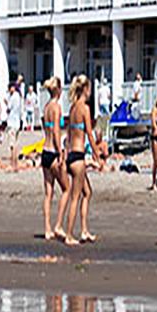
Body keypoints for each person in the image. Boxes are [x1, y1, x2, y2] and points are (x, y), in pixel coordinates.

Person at [57, 76, 104, 245]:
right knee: (75, 197)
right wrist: (97, 155)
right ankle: (69, 234)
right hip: (78, 157)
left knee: (87, 192)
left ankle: (84, 231)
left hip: (71, 155)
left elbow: (69, 134)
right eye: (89, 88)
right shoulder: (84, 108)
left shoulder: (72, 108)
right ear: (85, 89)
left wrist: (65, 154)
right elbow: (90, 135)